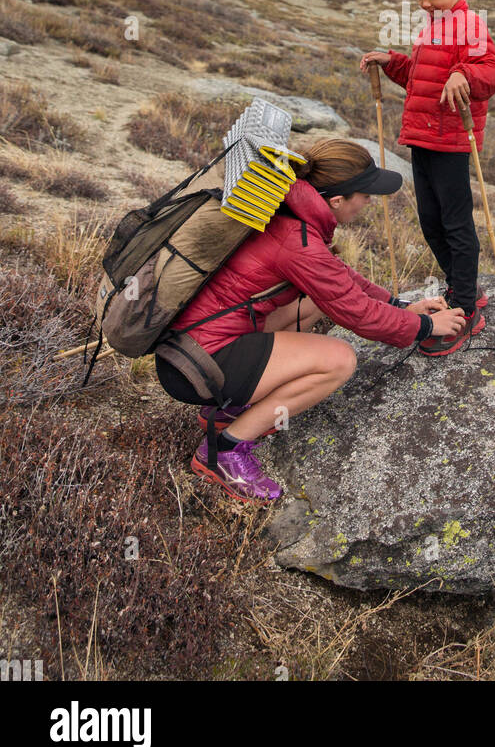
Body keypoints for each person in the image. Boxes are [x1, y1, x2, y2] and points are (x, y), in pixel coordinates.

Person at [154, 138, 468, 502]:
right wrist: (426, 327)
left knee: (314, 303)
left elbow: (340, 278)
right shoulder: (297, 240)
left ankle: (229, 409)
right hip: (197, 368)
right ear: (336, 200)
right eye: (365, 195)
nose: (369, 202)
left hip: (190, 346)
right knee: (339, 360)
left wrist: (400, 305)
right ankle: (223, 449)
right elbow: (358, 315)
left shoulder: (290, 213)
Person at [360, 0, 495, 357]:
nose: (424, 3)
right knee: (429, 219)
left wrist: (466, 75)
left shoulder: (470, 25)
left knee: (456, 224)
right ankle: (464, 287)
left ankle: (463, 310)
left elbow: (491, 73)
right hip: (422, 137)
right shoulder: (432, 27)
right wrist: (394, 62)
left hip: (452, 140)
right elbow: (422, 81)